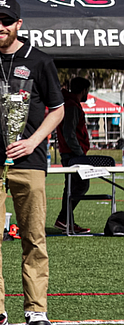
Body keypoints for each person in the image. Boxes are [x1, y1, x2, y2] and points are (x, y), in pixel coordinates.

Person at [0, 0, 63, 325]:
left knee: (33, 236)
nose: (0, 27)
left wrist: (33, 142)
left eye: (7, 21)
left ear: (19, 24)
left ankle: (36, 309)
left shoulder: (40, 60)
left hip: (29, 160)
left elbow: (58, 110)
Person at [55, 76, 92, 234]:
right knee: (80, 185)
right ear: (83, 90)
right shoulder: (72, 106)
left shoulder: (68, 103)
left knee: (72, 186)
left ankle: (65, 219)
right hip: (73, 154)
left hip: (70, 152)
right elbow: (69, 133)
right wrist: (80, 154)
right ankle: (64, 219)